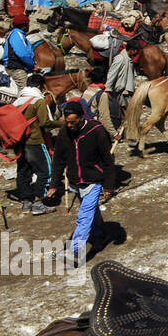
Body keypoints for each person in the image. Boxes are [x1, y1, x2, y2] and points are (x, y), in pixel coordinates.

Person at [44, 102, 116, 262]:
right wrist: (54, 184)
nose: (69, 125)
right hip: (75, 180)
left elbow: (108, 160)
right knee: (91, 213)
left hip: (93, 180)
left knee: (84, 216)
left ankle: (76, 250)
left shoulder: (97, 132)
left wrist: (109, 185)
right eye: (67, 122)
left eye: (73, 122)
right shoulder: (64, 133)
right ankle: (100, 235)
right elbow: (58, 161)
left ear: (81, 117)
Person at [11, 75, 55, 214]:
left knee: (23, 172)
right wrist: (62, 123)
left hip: (19, 143)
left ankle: (26, 202)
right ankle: (38, 202)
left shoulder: (16, 102)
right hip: (35, 141)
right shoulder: (38, 101)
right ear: (39, 86)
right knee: (45, 171)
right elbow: (45, 123)